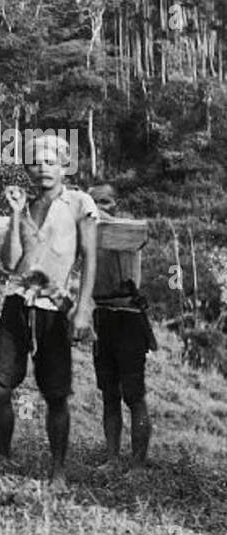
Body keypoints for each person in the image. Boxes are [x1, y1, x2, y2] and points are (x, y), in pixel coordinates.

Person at [0, 135, 97, 485]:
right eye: (35, 162)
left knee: (56, 394)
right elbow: (10, 263)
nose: (43, 168)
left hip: (54, 307)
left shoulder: (79, 203)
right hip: (17, 302)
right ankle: (2, 457)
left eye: (50, 161)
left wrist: (83, 309)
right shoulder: (26, 206)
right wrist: (15, 214)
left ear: (64, 166)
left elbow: (90, 257)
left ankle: (58, 470)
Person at [88, 184, 154, 472]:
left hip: (128, 317)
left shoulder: (127, 230)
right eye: (94, 201)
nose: (99, 207)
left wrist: (92, 211)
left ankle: (138, 464)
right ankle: (112, 458)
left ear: (115, 204)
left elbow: (119, 226)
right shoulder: (88, 233)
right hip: (103, 316)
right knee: (109, 394)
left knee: (134, 395)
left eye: (105, 201)